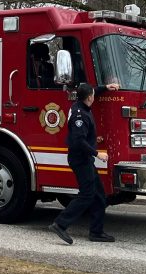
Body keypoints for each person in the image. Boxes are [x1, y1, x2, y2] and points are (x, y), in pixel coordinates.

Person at [50, 81, 118, 244]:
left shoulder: (80, 104)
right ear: (89, 98)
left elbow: (91, 91)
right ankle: (60, 224)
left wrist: (105, 88)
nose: (94, 95)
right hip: (80, 159)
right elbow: (78, 141)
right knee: (87, 194)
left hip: (85, 159)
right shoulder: (80, 116)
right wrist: (97, 153)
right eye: (93, 95)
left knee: (99, 195)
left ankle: (96, 232)